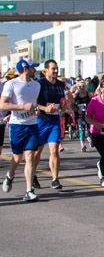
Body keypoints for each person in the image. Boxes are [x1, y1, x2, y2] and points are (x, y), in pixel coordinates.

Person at [0, 59, 43, 201]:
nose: (35, 70)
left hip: (32, 124)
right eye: (33, 68)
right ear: (26, 69)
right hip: (17, 125)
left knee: (30, 156)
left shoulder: (36, 85)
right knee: (17, 158)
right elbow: (3, 105)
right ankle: (10, 175)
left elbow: (35, 104)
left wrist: (36, 110)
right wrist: (22, 107)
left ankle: (29, 190)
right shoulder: (11, 84)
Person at [35, 59, 68, 190]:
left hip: (55, 121)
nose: (55, 71)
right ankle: (32, 174)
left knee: (54, 150)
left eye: (56, 68)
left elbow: (63, 101)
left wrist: (65, 106)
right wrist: (44, 108)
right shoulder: (39, 84)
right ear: (46, 70)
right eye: (53, 68)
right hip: (41, 121)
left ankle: (55, 178)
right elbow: (33, 103)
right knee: (37, 152)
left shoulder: (61, 84)